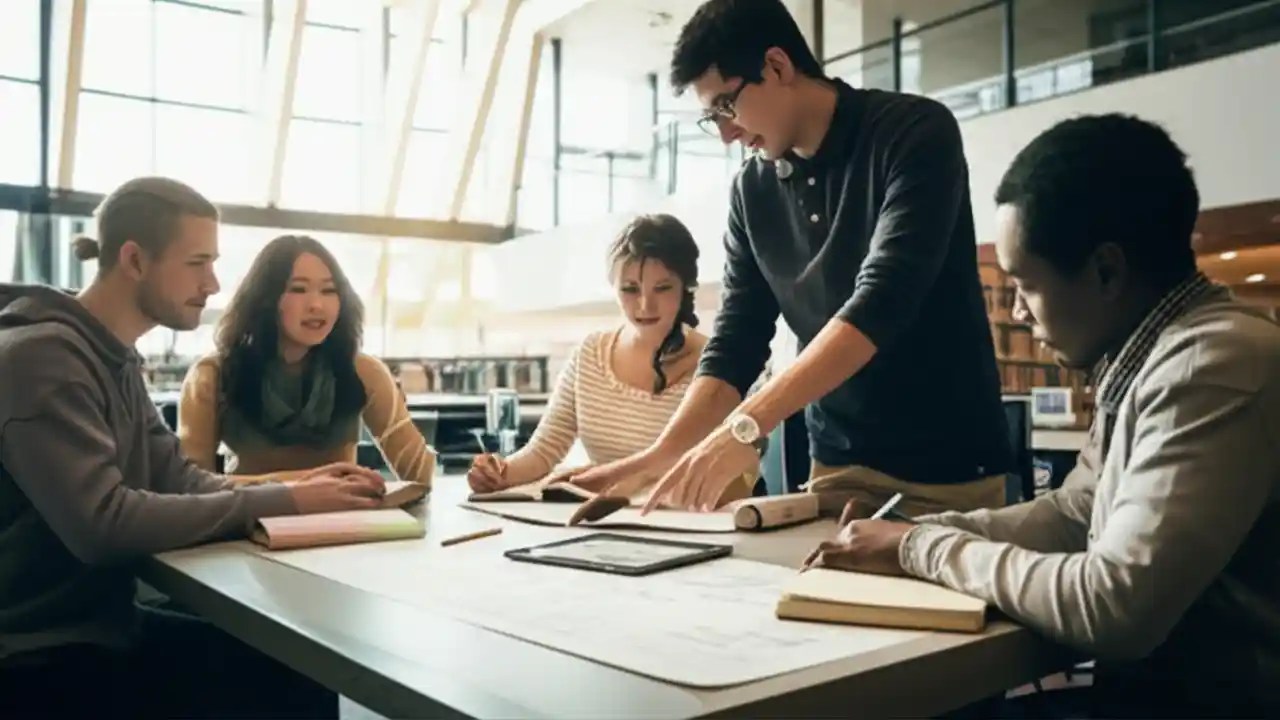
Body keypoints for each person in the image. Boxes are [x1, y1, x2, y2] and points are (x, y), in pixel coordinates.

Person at [805, 115, 1280, 717]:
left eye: (1025, 286)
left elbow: (1114, 607)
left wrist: (916, 548)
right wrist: (921, 534)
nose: (1018, 314)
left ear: (1107, 270)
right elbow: (1078, 511)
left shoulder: (1211, 365)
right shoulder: (1150, 356)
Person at [575, 0, 1011, 516]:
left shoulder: (912, 133)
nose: (725, 133)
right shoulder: (752, 191)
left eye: (725, 106)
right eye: (709, 118)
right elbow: (737, 340)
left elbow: (881, 302)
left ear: (777, 67)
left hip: (950, 472)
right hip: (839, 468)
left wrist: (743, 426)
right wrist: (660, 455)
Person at [0, 177, 386, 718]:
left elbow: (178, 477)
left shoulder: (115, 356)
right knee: (284, 681)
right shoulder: (42, 358)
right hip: (38, 656)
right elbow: (103, 525)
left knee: (300, 668)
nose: (213, 283)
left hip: (105, 628)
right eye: (198, 262)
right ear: (135, 260)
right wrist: (286, 502)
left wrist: (297, 487)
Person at [467, 214, 752, 506]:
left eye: (663, 288)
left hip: (701, 524)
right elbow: (542, 451)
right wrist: (500, 473)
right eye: (630, 289)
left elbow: (733, 465)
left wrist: (610, 477)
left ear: (686, 286)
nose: (645, 305)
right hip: (612, 525)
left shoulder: (720, 365)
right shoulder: (590, 354)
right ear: (613, 287)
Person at [178, 234, 436, 487]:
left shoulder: (362, 370)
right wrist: (305, 484)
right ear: (265, 299)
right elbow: (190, 486)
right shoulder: (213, 375)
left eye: (329, 290)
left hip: (342, 523)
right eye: (298, 289)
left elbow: (419, 474)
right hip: (248, 522)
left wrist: (476, 474)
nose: (316, 305)